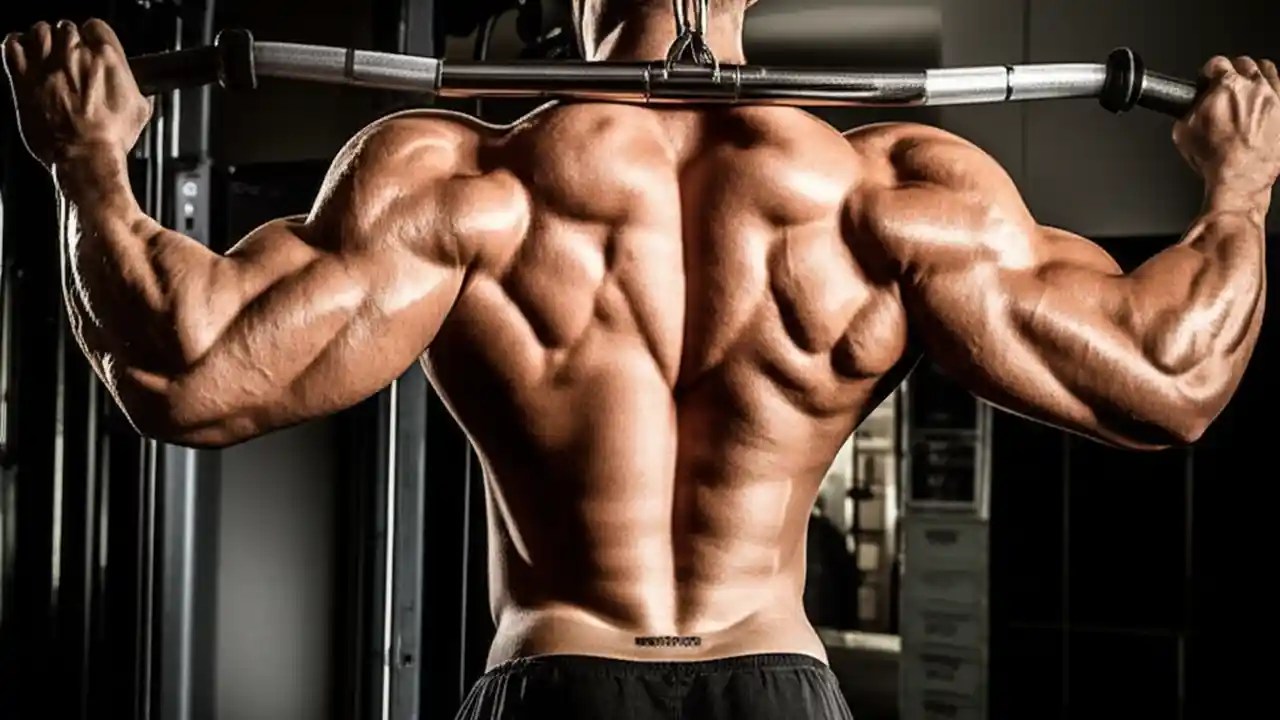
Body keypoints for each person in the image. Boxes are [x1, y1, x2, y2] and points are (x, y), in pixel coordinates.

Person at [4, 1, 1277, 718]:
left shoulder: (465, 187)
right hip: (776, 686)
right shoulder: (880, 196)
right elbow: (1170, 380)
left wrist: (90, 168)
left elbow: (189, 369)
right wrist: (1237, 192)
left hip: (557, 682)